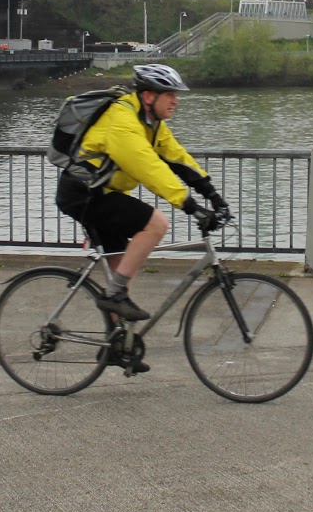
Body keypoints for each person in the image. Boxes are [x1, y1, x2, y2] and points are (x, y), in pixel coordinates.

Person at [55, 63, 227, 369]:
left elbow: (177, 158)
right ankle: (114, 296)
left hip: (102, 193)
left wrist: (213, 196)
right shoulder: (121, 120)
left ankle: (117, 346)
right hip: (83, 194)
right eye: (170, 94)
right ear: (148, 95)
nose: (176, 100)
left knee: (122, 271)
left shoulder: (151, 123)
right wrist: (190, 205)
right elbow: (148, 167)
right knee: (156, 224)